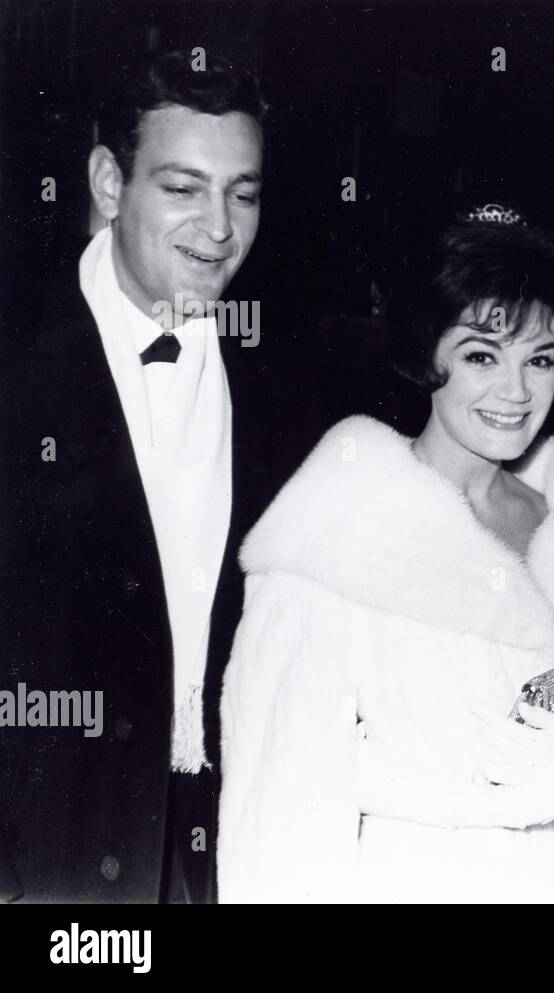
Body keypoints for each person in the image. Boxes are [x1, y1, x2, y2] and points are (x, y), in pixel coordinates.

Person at [218, 205, 554, 902]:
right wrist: (504, 799)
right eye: (482, 354)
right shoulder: (338, 529)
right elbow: (281, 800)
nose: (516, 391)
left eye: (538, 359)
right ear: (426, 354)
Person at [0, 49, 306, 903]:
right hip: (44, 862)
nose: (218, 230)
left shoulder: (287, 385)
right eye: (182, 187)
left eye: (242, 194)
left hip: (220, 849)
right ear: (107, 183)